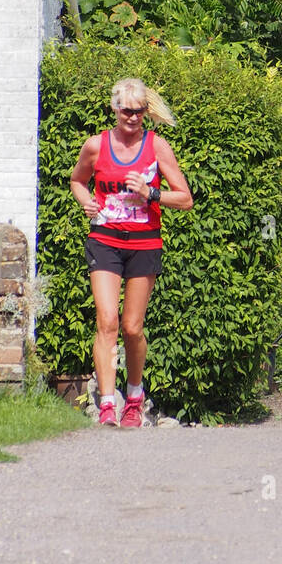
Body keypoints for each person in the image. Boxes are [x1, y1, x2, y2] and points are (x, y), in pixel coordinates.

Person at [70, 78, 193, 428]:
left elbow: (185, 198)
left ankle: (134, 397)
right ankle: (108, 404)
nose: (133, 117)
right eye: (127, 110)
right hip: (105, 238)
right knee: (106, 320)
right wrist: (86, 201)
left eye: (140, 111)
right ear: (114, 109)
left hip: (144, 242)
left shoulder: (157, 147)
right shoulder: (95, 146)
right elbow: (77, 180)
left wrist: (151, 194)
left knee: (132, 326)